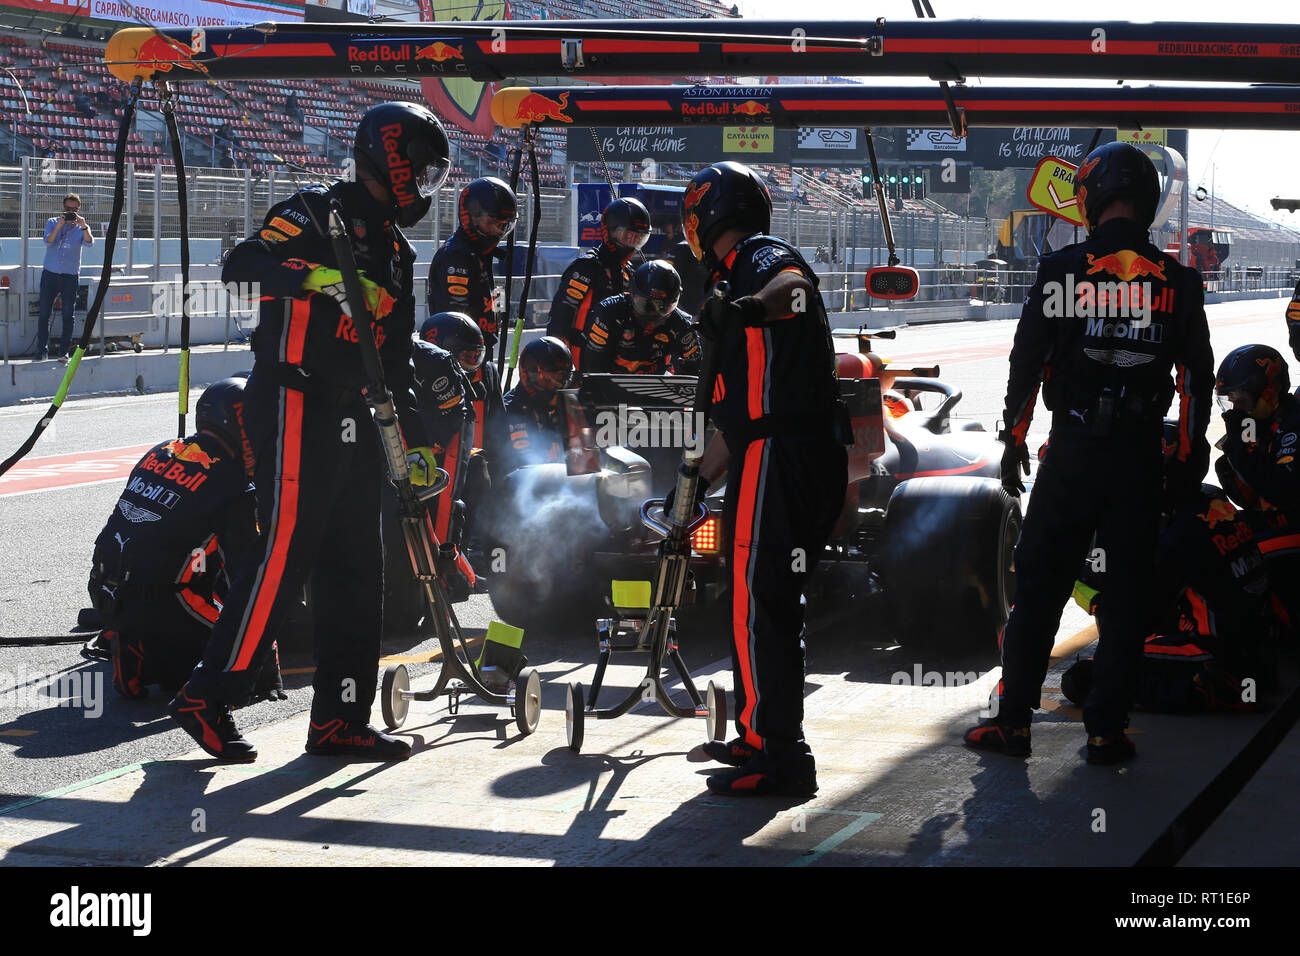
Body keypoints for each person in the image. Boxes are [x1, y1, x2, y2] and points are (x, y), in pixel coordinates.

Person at [168, 102, 450, 763]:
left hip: (358, 416)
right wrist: (325, 280)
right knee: (287, 551)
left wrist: (413, 444)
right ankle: (207, 693)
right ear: (393, 157)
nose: (427, 187)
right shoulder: (314, 212)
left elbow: (400, 357)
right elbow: (243, 263)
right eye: (425, 171)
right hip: (295, 401)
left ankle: (340, 720)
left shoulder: (399, 251)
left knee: (359, 569)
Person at [963, 141, 1214, 765]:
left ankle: (1013, 724)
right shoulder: (1179, 282)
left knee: (1040, 588)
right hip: (1137, 458)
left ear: (1093, 197)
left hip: (1072, 451)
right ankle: (1105, 732)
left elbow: (1027, 365)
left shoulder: (1062, 272)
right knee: (1128, 597)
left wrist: (1015, 439)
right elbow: (1197, 381)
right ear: (1148, 202)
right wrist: (1183, 458)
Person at [680, 160, 850, 796]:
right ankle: (764, 737)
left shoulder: (759, 256)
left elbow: (791, 287)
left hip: (786, 452)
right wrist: (695, 480)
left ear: (707, 215)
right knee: (764, 601)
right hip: (774, 446)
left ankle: (775, 752)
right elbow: (740, 421)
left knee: (758, 604)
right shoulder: (726, 288)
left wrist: (744, 307)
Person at [87, 378, 283, 702]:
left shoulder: (161, 450)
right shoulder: (233, 484)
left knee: (189, 561)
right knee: (235, 648)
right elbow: (247, 579)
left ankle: (130, 637)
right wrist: (266, 663)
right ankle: (152, 652)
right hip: (166, 598)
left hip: (106, 586)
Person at [1213, 344, 1300, 624]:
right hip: (1286, 521)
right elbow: (1249, 497)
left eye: (1241, 400)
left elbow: (1282, 489)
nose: (1236, 409)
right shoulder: (1263, 423)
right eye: (1231, 400)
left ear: (1269, 391)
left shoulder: (1294, 424)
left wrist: (1240, 448)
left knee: (1237, 557)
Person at [546, 197, 650, 366]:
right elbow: (560, 315)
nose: (632, 243)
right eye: (627, 236)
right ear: (610, 231)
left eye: (638, 238)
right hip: (583, 357)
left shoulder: (629, 272)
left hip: (616, 358)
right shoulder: (587, 267)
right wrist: (558, 360)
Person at [426, 177, 517, 355]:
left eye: (502, 226)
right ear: (471, 216)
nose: (496, 232)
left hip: (480, 350)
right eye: (491, 223)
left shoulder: (481, 254)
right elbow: (455, 323)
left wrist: (500, 311)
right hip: (462, 355)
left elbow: (493, 299)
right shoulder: (456, 256)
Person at [579, 259, 701, 376]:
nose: (653, 314)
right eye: (647, 304)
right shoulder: (608, 312)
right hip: (610, 383)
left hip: (657, 386)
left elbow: (695, 366)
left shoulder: (681, 324)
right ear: (632, 292)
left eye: (663, 306)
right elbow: (593, 365)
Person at [502, 335, 573, 471]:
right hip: (526, 485)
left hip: (565, 482)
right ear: (532, 373)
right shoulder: (511, 410)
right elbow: (522, 468)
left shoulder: (568, 405)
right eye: (551, 379)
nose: (557, 385)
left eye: (562, 378)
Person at [37, 193, 92, 361]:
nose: (71, 212)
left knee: (68, 315)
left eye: (74, 209)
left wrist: (83, 226)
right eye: (68, 209)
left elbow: (89, 243)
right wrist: (60, 225)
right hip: (50, 274)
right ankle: (42, 351)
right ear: (63, 208)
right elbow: (48, 241)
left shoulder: (82, 226)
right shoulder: (53, 222)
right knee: (44, 313)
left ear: (79, 209)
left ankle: (63, 352)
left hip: (70, 277)